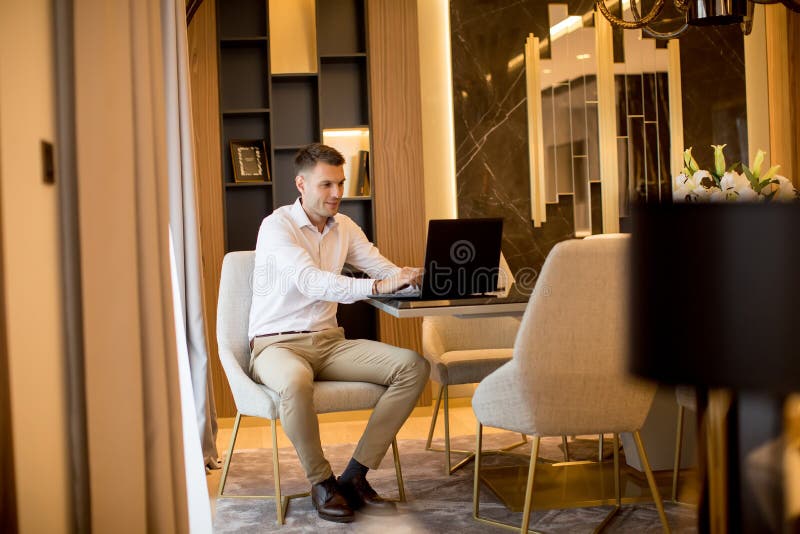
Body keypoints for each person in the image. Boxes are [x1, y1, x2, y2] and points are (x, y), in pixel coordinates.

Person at [248, 143, 430, 523]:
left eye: (341, 184)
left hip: (330, 343)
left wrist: (417, 279)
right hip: (277, 345)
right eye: (326, 185)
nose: (336, 194)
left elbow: (383, 270)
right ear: (301, 183)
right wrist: (381, 287)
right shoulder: (276, 226)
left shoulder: (344, 227)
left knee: (412, 366)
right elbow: (313, 283)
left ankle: (354, 477)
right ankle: (322, 482)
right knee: (296, 383)